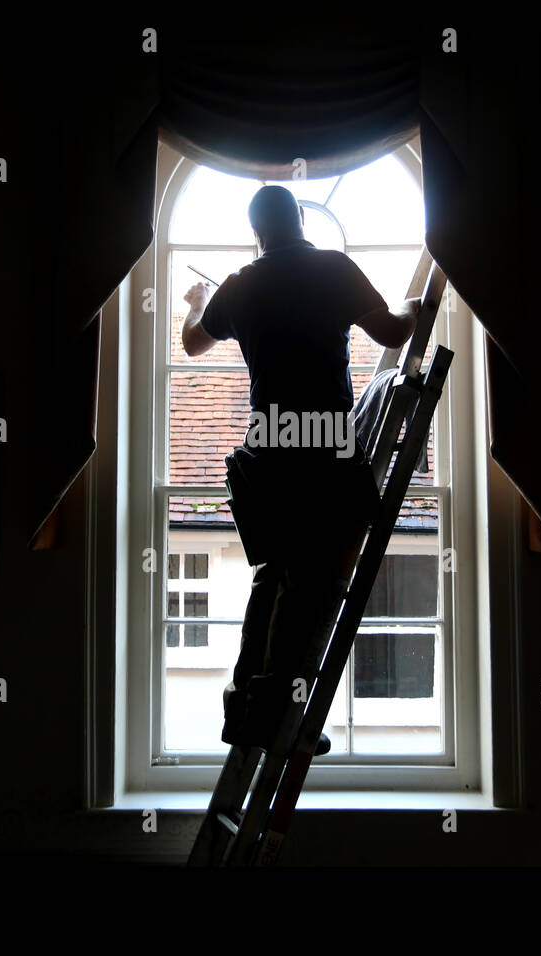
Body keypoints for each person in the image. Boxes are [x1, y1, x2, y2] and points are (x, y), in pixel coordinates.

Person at [180, 184, 420, 754]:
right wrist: (413, 307)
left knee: (274, 576)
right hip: (323, 451)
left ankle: (246, 705)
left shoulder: (239, 286)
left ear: (256, 232)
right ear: (300, 221)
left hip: (268, 451)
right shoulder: (332, 269)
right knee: (307, 587)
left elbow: (191, 345)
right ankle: (282, 718)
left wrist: (195, 301)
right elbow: (392, 331)